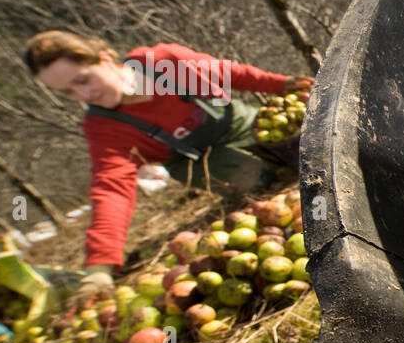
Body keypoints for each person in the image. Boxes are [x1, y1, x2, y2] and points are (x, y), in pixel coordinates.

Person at [22, 30, 314, 304]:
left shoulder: (161, 63)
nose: (83, 95)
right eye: (69, 93)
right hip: (204, 163)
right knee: (255, 178)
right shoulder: (103, 127)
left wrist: (280, 84)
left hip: (237, 123)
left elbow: (228, 73)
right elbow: (111, 189)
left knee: (303, 143)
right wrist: (100, 266)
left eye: (83, 80)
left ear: (104, 59)